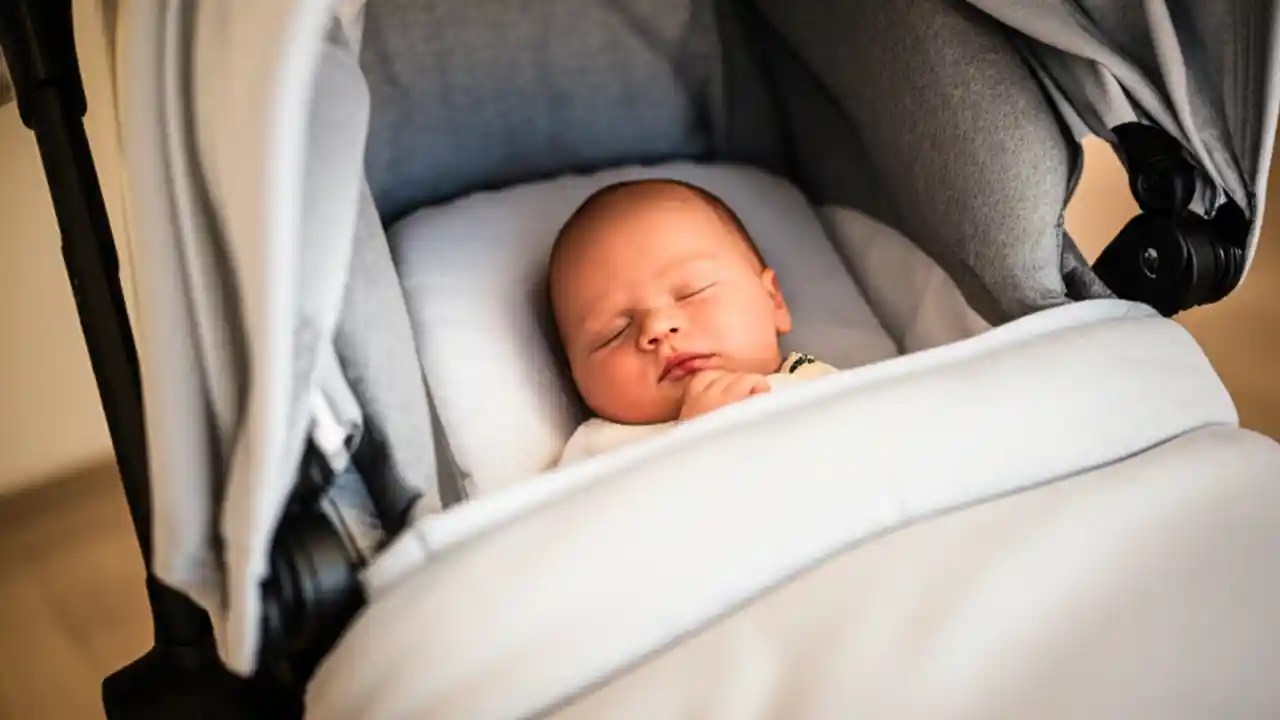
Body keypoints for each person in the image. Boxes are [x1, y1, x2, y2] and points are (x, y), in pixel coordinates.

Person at [549, 178, 837, 465]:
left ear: (773, 300)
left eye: (693, 292)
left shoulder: (818, 382)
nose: (658, 326)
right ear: (575, 378)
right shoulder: (600, 449)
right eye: (614, 333)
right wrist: (694, 445)